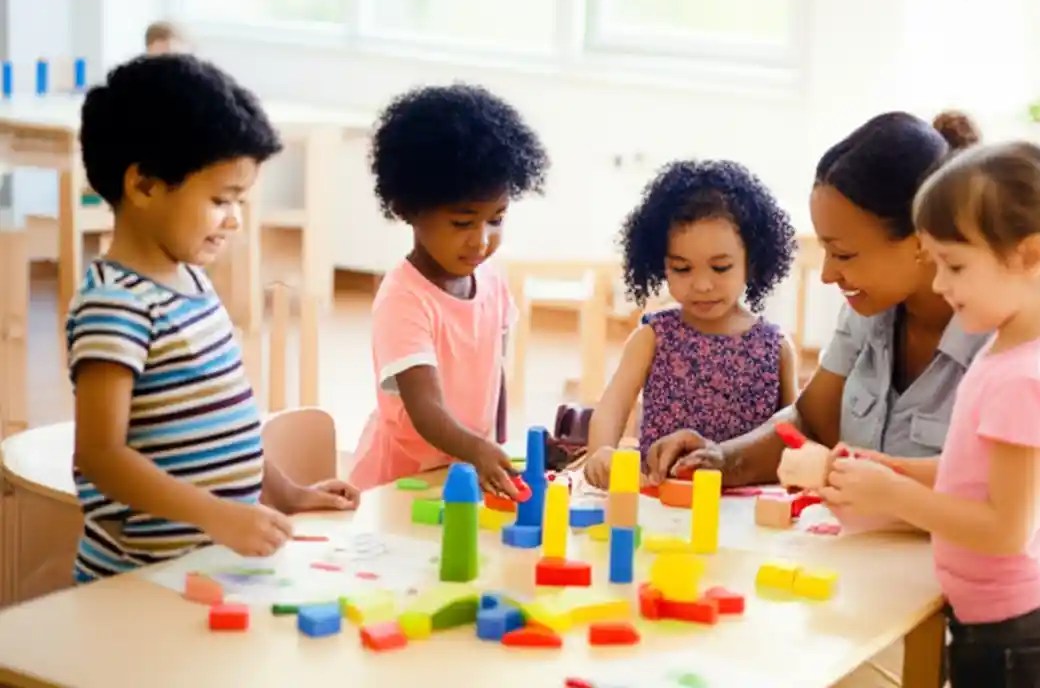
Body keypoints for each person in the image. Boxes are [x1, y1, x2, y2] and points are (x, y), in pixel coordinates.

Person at [822, 141, 1040, 687]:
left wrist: (893, 496)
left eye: (954, 266)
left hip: (1024, 636)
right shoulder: (1013, 346)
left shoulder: (1028, 377)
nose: (939, 285)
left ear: (1029, 256)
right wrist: (896, 470)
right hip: (1012, 626)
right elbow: (981, 477)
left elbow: (1007, 527)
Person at [69, 55, 359, 583]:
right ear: (145, 186)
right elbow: (100, 455)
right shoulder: (115, 306)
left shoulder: (193, 284)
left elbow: (227, 424)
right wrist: (216, 515)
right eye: (221, 199)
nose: (235, 219)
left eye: (240, 200)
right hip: (136, 580)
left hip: (206, 566)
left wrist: (287, 491)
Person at [643, 112, 984, 486]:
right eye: (825, 250)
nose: (826, 274)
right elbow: (808, 422)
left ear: (921, 242)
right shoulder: (867, 313)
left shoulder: (997, 342)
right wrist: (722, 458)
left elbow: (990, 497)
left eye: (844, 255)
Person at [348, 84, 549, 497]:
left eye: (497, 219)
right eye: (462, 223)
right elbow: (426, 410)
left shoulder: (492, 279)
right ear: (407, 208)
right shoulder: (404, 298)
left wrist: (497, 445)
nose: (481, 240)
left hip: (462, 472)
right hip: (401, 484)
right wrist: (478, 450)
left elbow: (497, 375)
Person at [581, 160, 799, 489]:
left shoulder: (775, 347)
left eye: (721, 268)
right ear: (660, 264)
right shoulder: (654, 336)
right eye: (683, 269)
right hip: (659, 496)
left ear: (752, 262)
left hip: (743, 505)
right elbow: (611, 407)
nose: (702, 285)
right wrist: (602, 453)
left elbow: (791, 432)